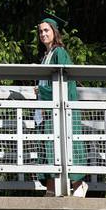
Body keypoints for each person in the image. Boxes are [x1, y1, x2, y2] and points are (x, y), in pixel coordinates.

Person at [34, 12, 88, 197]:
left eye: (46, 30)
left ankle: (79, 185)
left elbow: (63, 83)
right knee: (47, 147)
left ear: (54, 32)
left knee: (65, 148)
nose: (43, 34)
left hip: (59, 109)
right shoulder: (46, 55)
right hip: (47, 109)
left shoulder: (60, 53)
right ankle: (50, 188)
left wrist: (42, 92)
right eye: (40, 31)